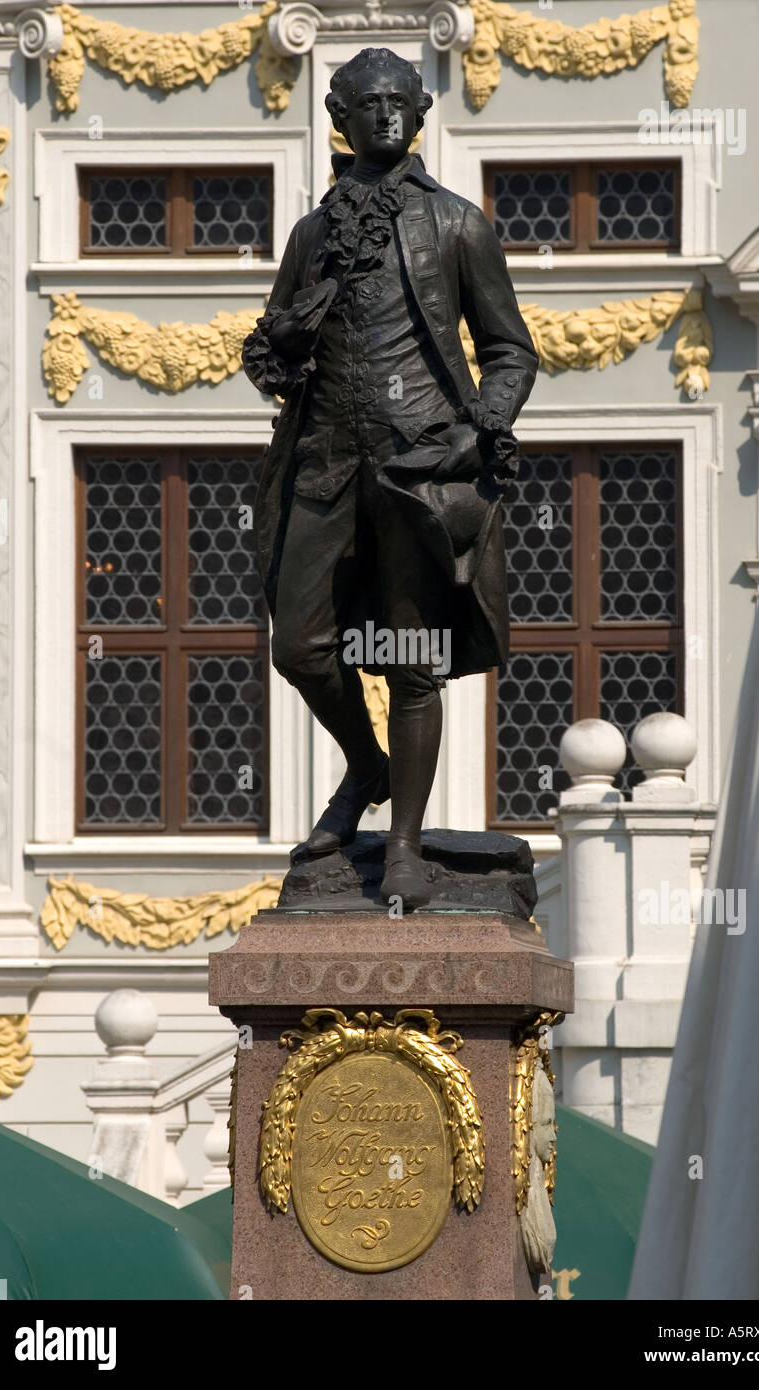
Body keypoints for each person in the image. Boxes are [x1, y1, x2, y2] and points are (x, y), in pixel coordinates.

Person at [243, 47, 537, 909]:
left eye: (396, 103)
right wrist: (280, 352)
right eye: (365, 104)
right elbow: (273, 351)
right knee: (297, 645)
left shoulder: (457, 224)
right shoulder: (312, 232)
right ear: (339, 118)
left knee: (411, 660)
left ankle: (403, 842)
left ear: (417, 113)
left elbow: (511, 351)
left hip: (416, 470)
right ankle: (364, 761)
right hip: (325, 461)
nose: (382, 116)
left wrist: (481, 425)